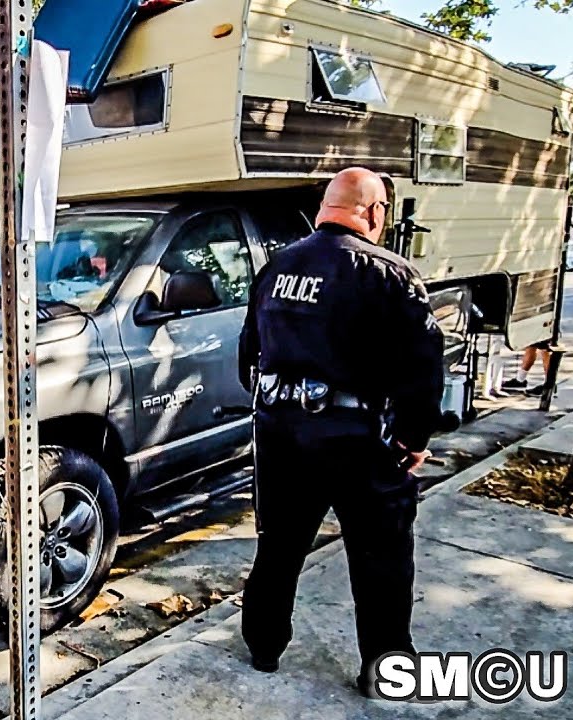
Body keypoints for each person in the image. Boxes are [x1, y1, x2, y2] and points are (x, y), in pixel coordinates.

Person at [237, 168, 445, 697]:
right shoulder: (391, 274)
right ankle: (386, 670)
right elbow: (424, 370)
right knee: (382, 560)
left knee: (278, 546)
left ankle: (264, 647)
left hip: (281, 433)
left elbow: (248, 359)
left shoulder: (278, 266)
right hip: (357, 440)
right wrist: (413, 439)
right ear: (373, 212)